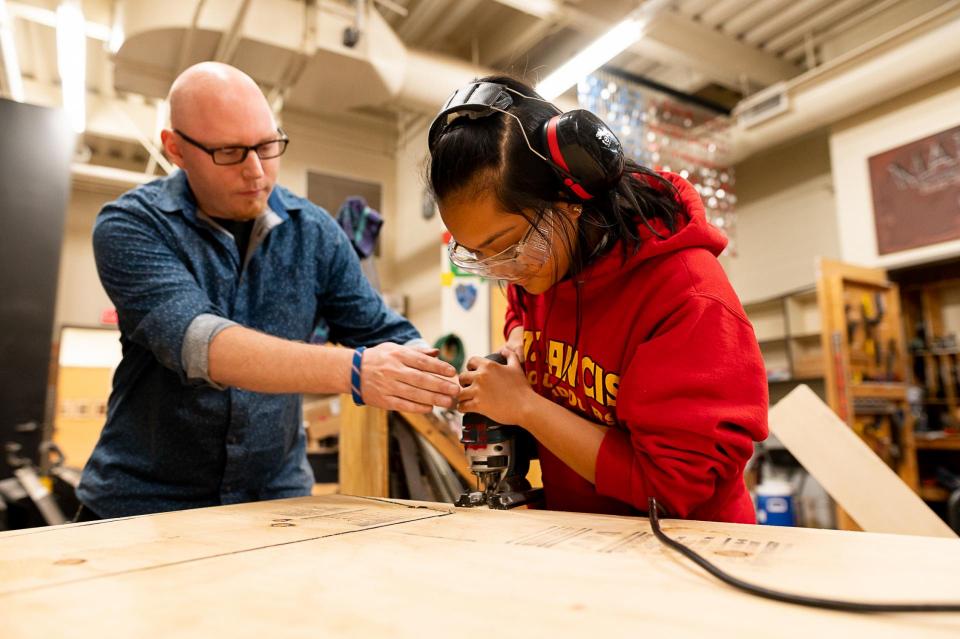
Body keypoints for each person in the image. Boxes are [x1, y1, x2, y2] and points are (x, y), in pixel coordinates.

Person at [75, 62, 459, 520]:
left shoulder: (314, 232)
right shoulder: (132, 225)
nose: (256, 171)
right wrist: (356, 370)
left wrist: (439, 377)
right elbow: (201, 344)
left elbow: (379, 329)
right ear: (175, 149)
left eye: (267, 145)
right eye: (230, 152)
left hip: (274, 501)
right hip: (143, 504)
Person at [428, 77, 768, 523]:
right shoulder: (545, 265)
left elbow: (667, 489)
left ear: (570, 197)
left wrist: (526, 407)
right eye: (481, 256)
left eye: (506, 246)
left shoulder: (688, 298)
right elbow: (521, 309)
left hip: (691, 554)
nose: (505, 271)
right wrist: (518, 339)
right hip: (587, 540)